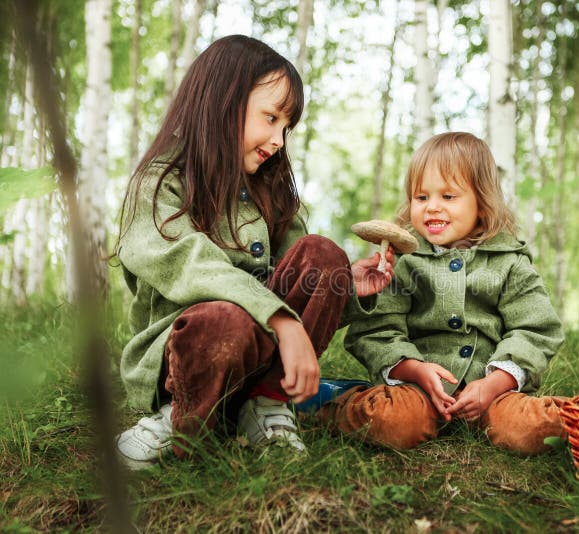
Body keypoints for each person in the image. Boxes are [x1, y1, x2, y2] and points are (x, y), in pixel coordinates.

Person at [113, 35, 393, 469]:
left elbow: (302, 277)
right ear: (222, 100)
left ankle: (265, 404)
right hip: (187, 355)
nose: (279, 139)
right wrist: (280, 318)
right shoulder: (159, 183)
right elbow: (189, 264)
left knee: (323, 253)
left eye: (287, 128)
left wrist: (348, 285)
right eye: (271, 117)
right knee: (223, 316)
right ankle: (179, 413)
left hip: (259, 358)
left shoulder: (270, 193)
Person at [319, 132, 565, 454]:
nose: (432, 208)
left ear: (482, 201)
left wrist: (495, 383)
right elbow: (378, 329)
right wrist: (414, 370)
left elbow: (536, 329)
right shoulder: (403, 262)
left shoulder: (510, 262)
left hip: (493, 394)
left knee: (529, 429)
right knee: (394, 423)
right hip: (419, 391)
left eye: (448, 197)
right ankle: (324, 402)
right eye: (421, 198)